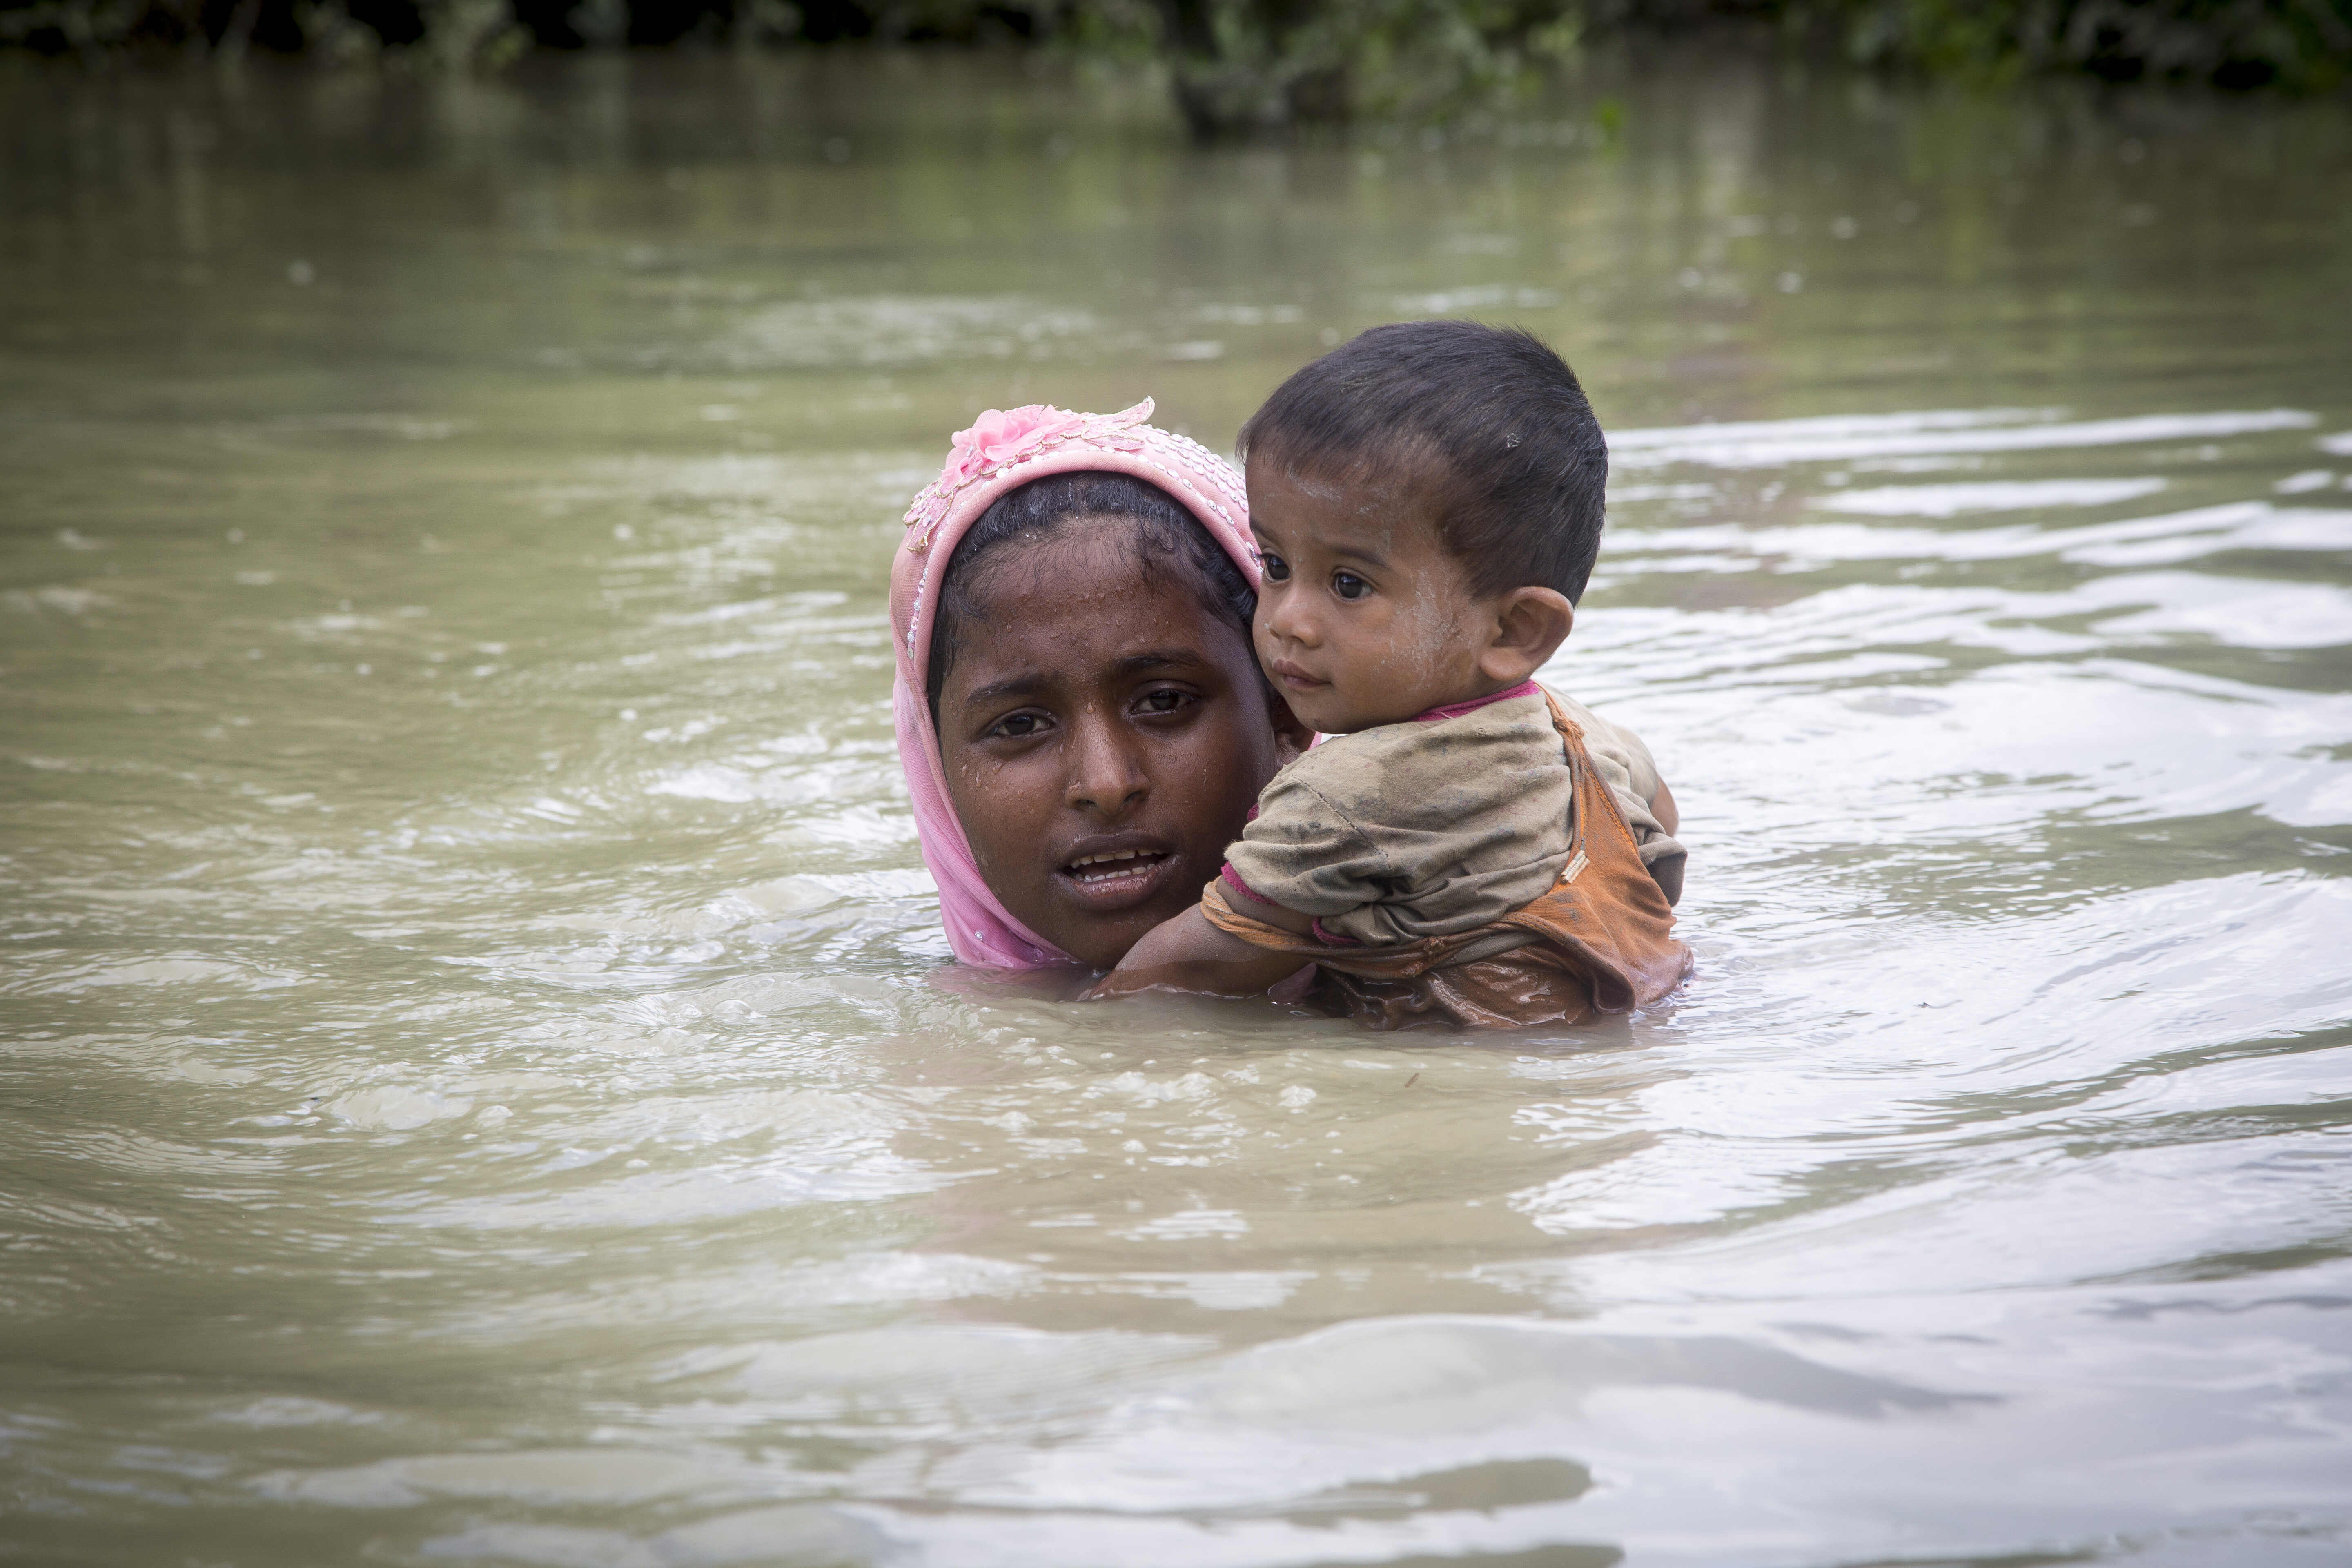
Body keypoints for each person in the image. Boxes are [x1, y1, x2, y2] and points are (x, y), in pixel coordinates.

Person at [1094, 322, 1691, 1027]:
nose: (1288, 619)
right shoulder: (1587, 736)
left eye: (1348, 584)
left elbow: (1193, 967)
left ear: (1514, 631)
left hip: (1450, 1066)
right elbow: (1662, 831)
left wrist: (1073, 1020)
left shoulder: (1345, 795)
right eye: (1276, 566)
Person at [889, 398, 1310, 974]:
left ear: (1285, 709)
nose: (1106, 784)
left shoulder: (1417, 972)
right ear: (936, 768)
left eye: (1163, 701)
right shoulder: (888, 1018)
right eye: (1020, 725)